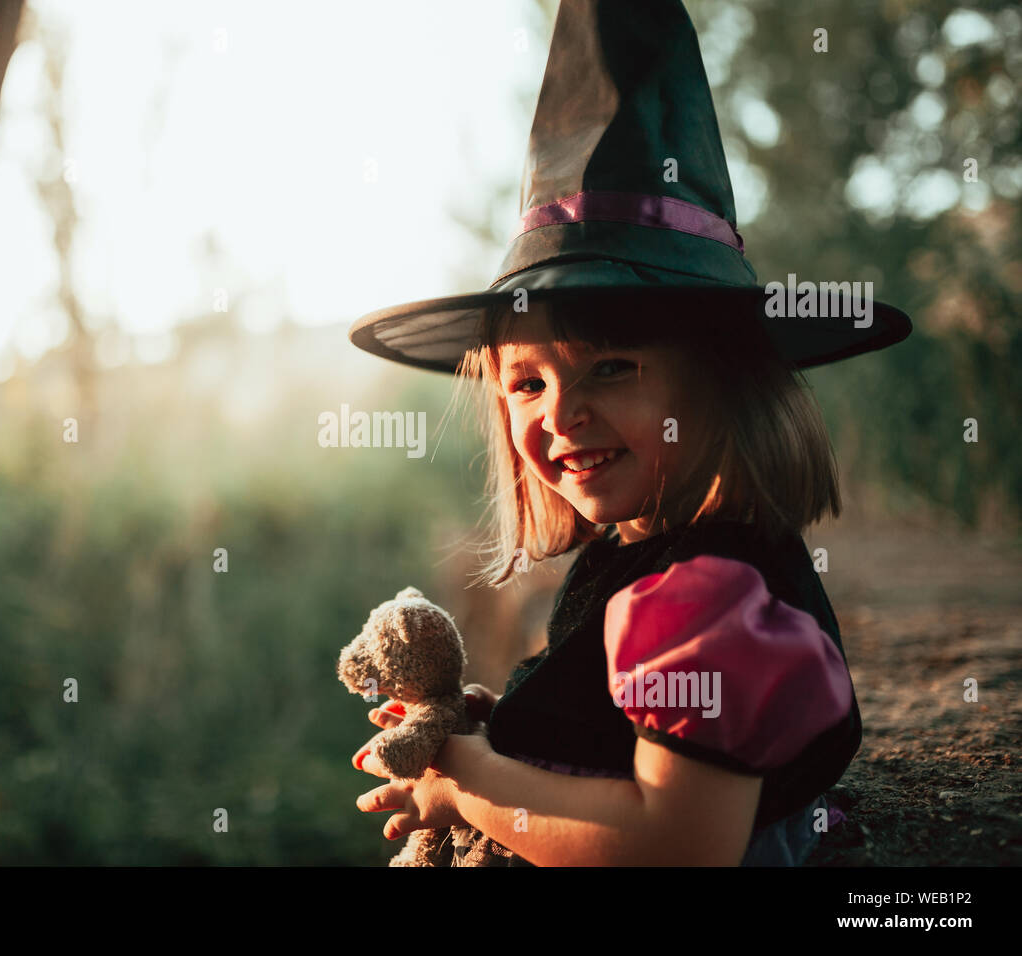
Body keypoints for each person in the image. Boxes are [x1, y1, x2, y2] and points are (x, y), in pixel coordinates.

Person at [345, 0, 909, 866]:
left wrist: (464, 779)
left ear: (724, 383)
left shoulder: (705, 598)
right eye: (528, 382)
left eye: (612, 368)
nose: (561, 415)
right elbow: (632, 735)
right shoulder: (648, 557)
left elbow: (675, 843)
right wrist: (523, 729)